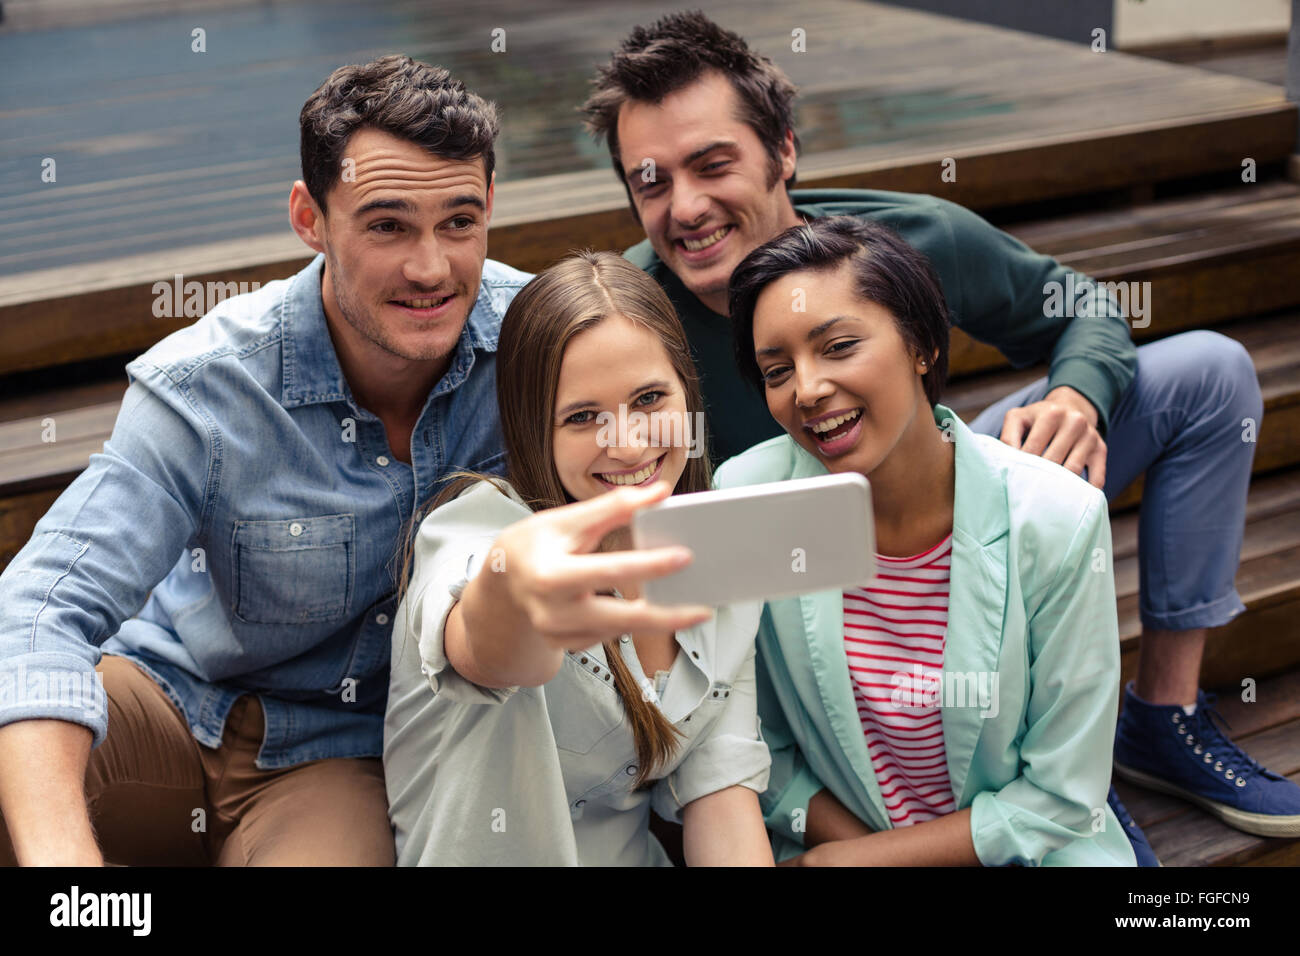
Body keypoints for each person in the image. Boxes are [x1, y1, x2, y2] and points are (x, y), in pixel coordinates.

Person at [582, 11, 1298, 857]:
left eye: (713, 165)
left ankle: (1160, 719)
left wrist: (1077, 394)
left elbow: (1082, 307)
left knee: (1210, 372)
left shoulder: (910, 239)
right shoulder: (628, 318)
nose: (686, 208)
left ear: (782, 150)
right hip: (780, 566)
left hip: (940, 477)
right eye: (652, 181)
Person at [0, 55, 530, 866]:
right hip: (168, 704)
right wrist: (66, 877)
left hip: (337, 757)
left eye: (458, 222)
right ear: (310, 220)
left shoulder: (540, 350)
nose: (430, 267)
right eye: (387, 225)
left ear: (490, 205)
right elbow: (41, 607)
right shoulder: (210, 384)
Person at [714, 215, 1134, 865]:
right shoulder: (748, 497)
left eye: (838, 346)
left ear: (921, 345)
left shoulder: (1057, 520)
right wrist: (858, 853)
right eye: (776, 370)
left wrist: (866, 861)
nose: (807, 389)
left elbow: (1063, 796)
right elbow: (758, 744)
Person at [384, 252, 774, 866]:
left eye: (649, 398)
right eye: (583, 417)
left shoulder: (718, 546)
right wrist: (511, 589)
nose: (627, 442)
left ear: (688, 397)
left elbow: (721, 795)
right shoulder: (474, 531)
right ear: (534, 430)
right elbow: (481, 643)